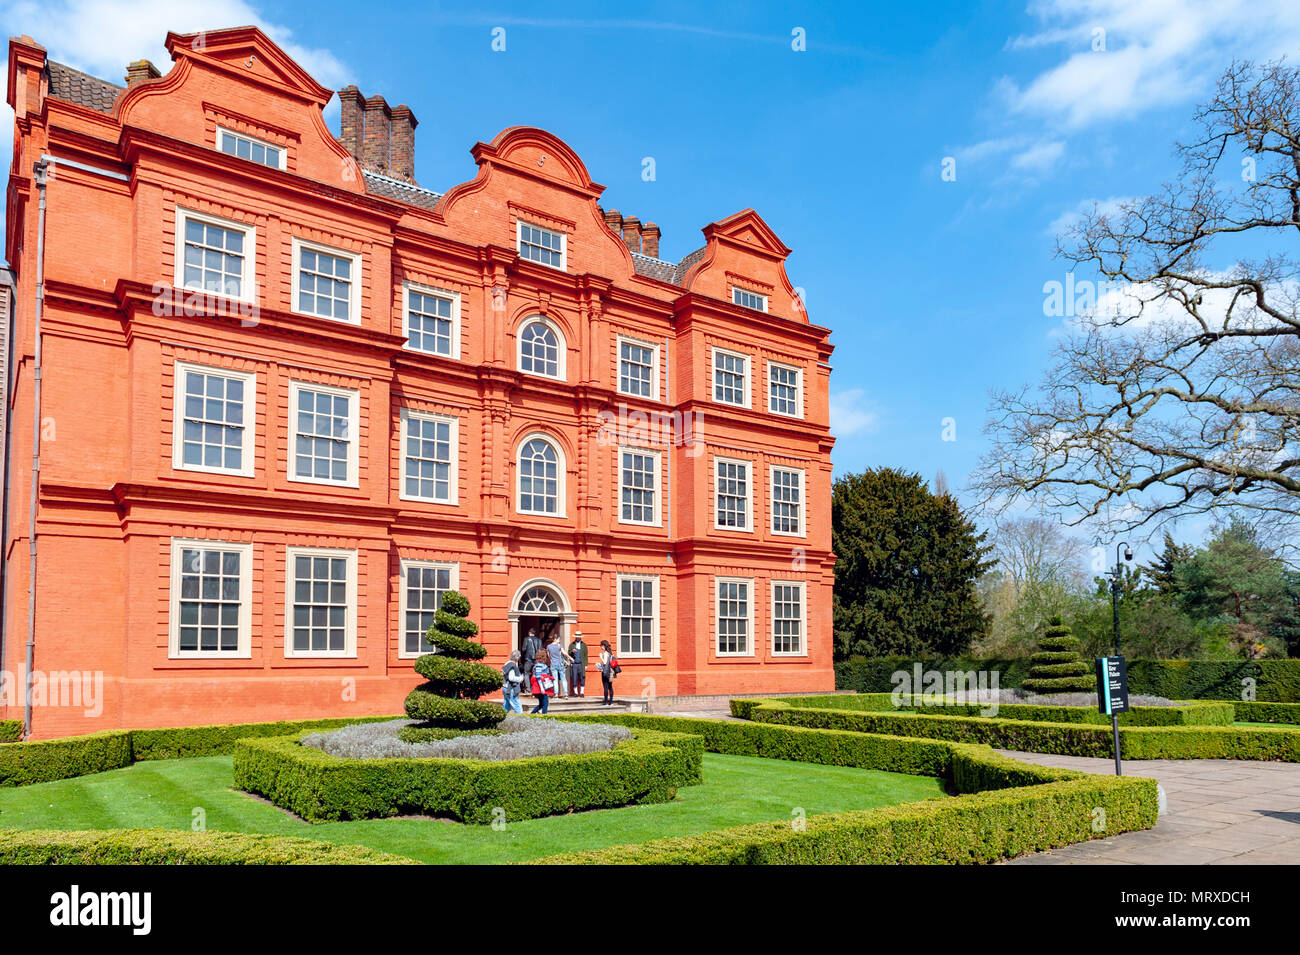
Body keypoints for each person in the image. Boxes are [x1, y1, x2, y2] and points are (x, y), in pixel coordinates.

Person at [546, 634, 569, 698]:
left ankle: (556, 694)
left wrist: (552, 660)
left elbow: (549, 656)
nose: (559, 640)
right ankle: (566, 693)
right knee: (563, 679)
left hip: (553, 664)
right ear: (555, 639)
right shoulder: (559, 646)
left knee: (555, 680)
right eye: (559, 639)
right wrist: (570, 657)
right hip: (560, 664)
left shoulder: (548, 646)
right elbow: (564, 653)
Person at [567, 631, 588, 698]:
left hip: (581, 664)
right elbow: (568, 654)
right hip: (574, 664)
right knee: (574, 677)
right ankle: (575, 693)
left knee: (582, 677)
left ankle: (582, 692)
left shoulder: (584, 645)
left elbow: (585, 655)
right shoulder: (572, 644)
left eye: (579, 636)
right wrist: (572, 652)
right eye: (577, 636)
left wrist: (586, 665)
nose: (578, 637)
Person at [598, 639, 619, 706]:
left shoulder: (605, 653)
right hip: (610, 672)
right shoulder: (610, 653)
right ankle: (610, 702)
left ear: (603, 646)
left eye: (601, 646)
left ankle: (606, 702)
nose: (600, 647)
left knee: (606, 687)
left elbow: (604, 662)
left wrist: (601, 657)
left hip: (605, 673)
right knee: (610, 687)